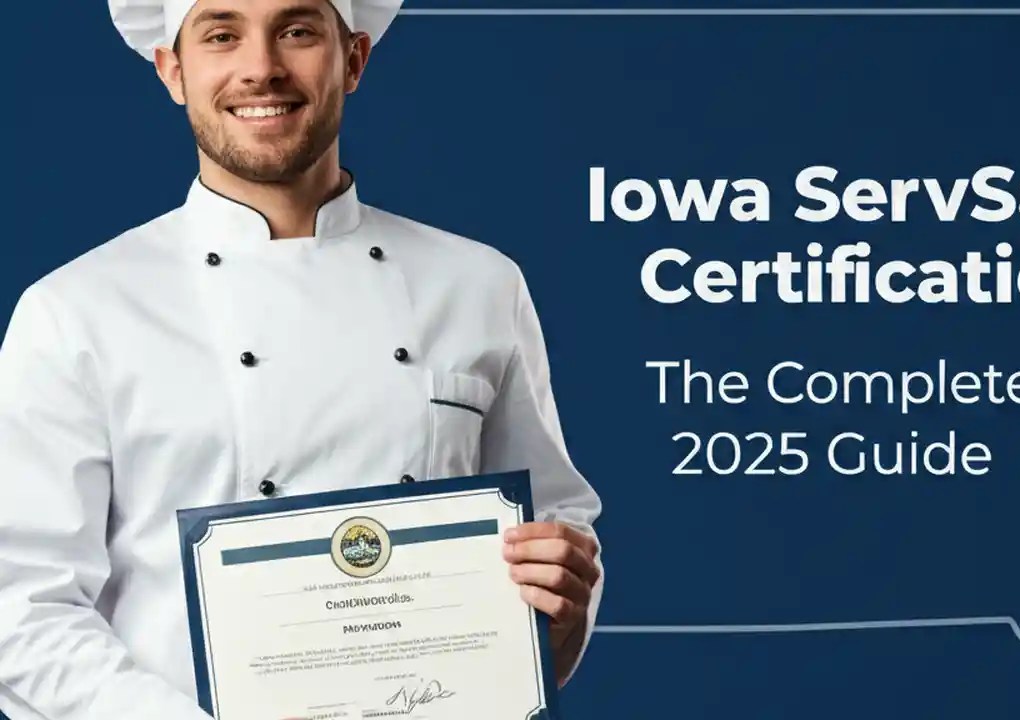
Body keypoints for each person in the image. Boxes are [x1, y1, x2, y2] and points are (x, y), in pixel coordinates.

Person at [0, 1, 604, 717]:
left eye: (297, 31)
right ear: (173, 71)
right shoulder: (76, 311)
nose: (261, 68)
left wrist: (562, 599)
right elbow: (20, 610)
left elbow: (553, 520)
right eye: (221, 35)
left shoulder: (479, 284)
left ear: (354, 60)